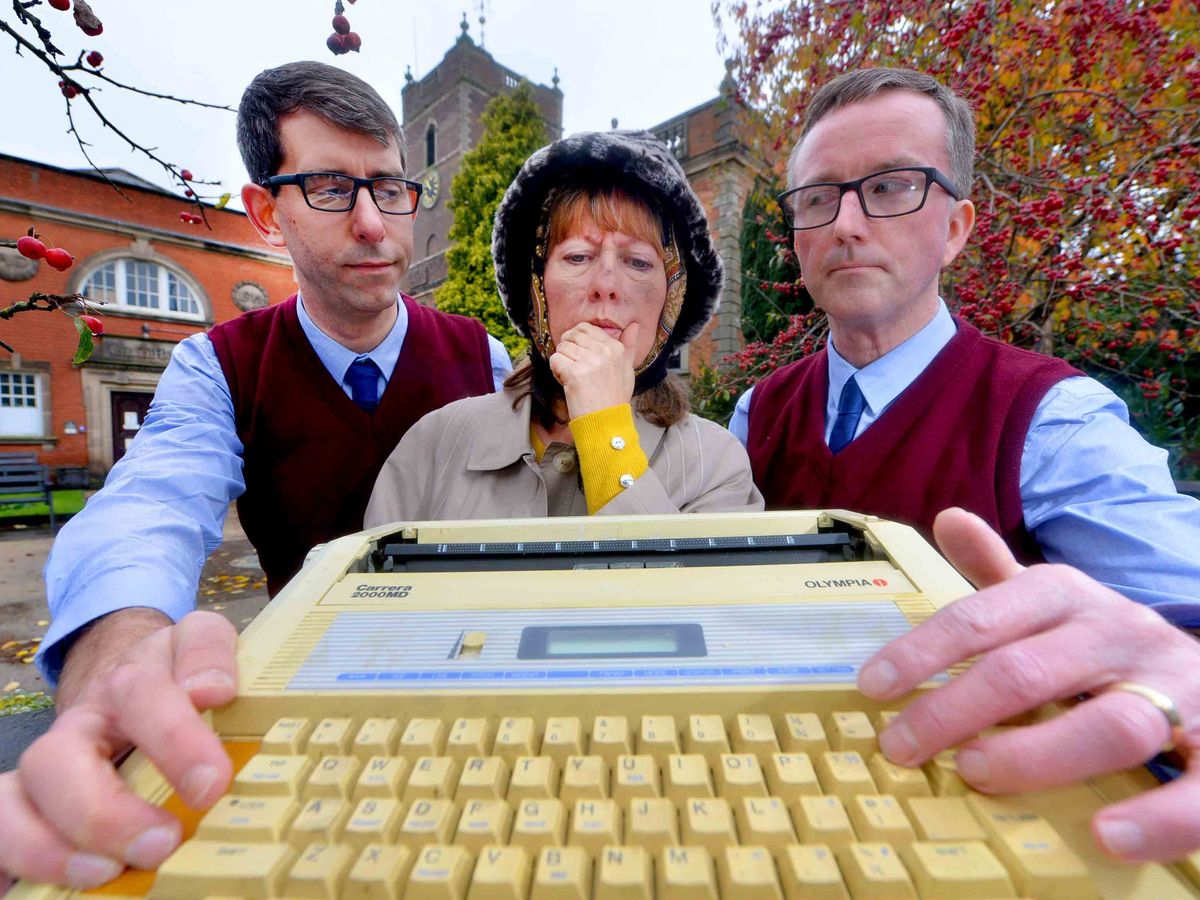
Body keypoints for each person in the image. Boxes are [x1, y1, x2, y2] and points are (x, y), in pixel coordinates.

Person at [1, 61, 511, 888]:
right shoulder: (218, 366)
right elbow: (151, 503)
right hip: (303, 698)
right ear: (266, 212)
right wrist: (118, 657)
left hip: (476, 680)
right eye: (332, 189)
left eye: (389, 187)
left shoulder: (481, 355)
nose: (376, 226)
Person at [728, 67, 1200, 630]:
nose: (845, 224)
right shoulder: (757, 413)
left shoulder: (1050, 419)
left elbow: (1177, 625)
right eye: (817, 197)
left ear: (955, 229)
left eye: (888, 186)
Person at [365, 131, 762, 524]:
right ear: (537, 287)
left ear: (671, 299)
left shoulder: (717, 464)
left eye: (638, 262)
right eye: (577, 257)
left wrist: (606, 429)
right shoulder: (434, 443)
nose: (605, 285)